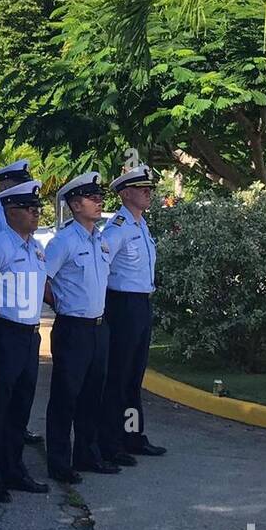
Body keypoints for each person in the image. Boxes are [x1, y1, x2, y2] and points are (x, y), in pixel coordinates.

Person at [0, 179, 50, 502]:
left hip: (30, 335)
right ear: (11, 211)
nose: (36, 213)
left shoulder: (37, 248)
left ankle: (13, 468)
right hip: (2, 334)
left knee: (19, 407)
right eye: (30, 208)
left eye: (37, 208)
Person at [43, 171, 116, 483]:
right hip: (73, 328)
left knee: (92, 395)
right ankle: (59, 462)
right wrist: (59, 303)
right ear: (75, 204)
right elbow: (42, 279)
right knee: (65, 397)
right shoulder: (63, 242)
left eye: (100, 197)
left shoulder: (99, 238)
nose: (99, 202)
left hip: (98, 327)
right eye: (92, 197)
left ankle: (87, 454)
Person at [98, 166, 167, 466]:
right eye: (142, 189)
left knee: (134, 377)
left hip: (141, 304)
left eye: (149, 188)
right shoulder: (118, 228)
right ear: (125, 194)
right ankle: (111, 443)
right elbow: (101, 266)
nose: (148, 193)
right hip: (122, 305)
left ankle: (133, 437)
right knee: (118, 377)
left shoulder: (141, 225)